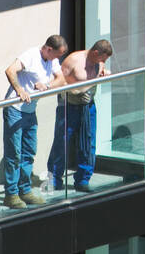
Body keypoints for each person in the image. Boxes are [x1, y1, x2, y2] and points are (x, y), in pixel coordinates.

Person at [1, 36, 68, 209]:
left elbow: (61, 79)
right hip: (15, 110)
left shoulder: (51, 59)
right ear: (48, 49)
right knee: (14, 154)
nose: (56, 60)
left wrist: (46, 85)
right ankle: (12, 194)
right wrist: (20, 90)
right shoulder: (31, 55)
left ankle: (25, 190)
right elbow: (10, 70)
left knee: (29, 151)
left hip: (30, 112)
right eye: (55, 55)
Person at [45, 41, 113, 193]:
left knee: (88, 142)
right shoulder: (74, 60)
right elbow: (59, 81)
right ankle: (54, 178)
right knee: (62, 142)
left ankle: (83, 179)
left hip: (88, 106)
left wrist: (103, 71)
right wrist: (74, 92)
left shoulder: (99, 62)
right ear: (95, 53)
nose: (103, 63)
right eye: (102, 59)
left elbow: (98, 72)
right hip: (70, 106)